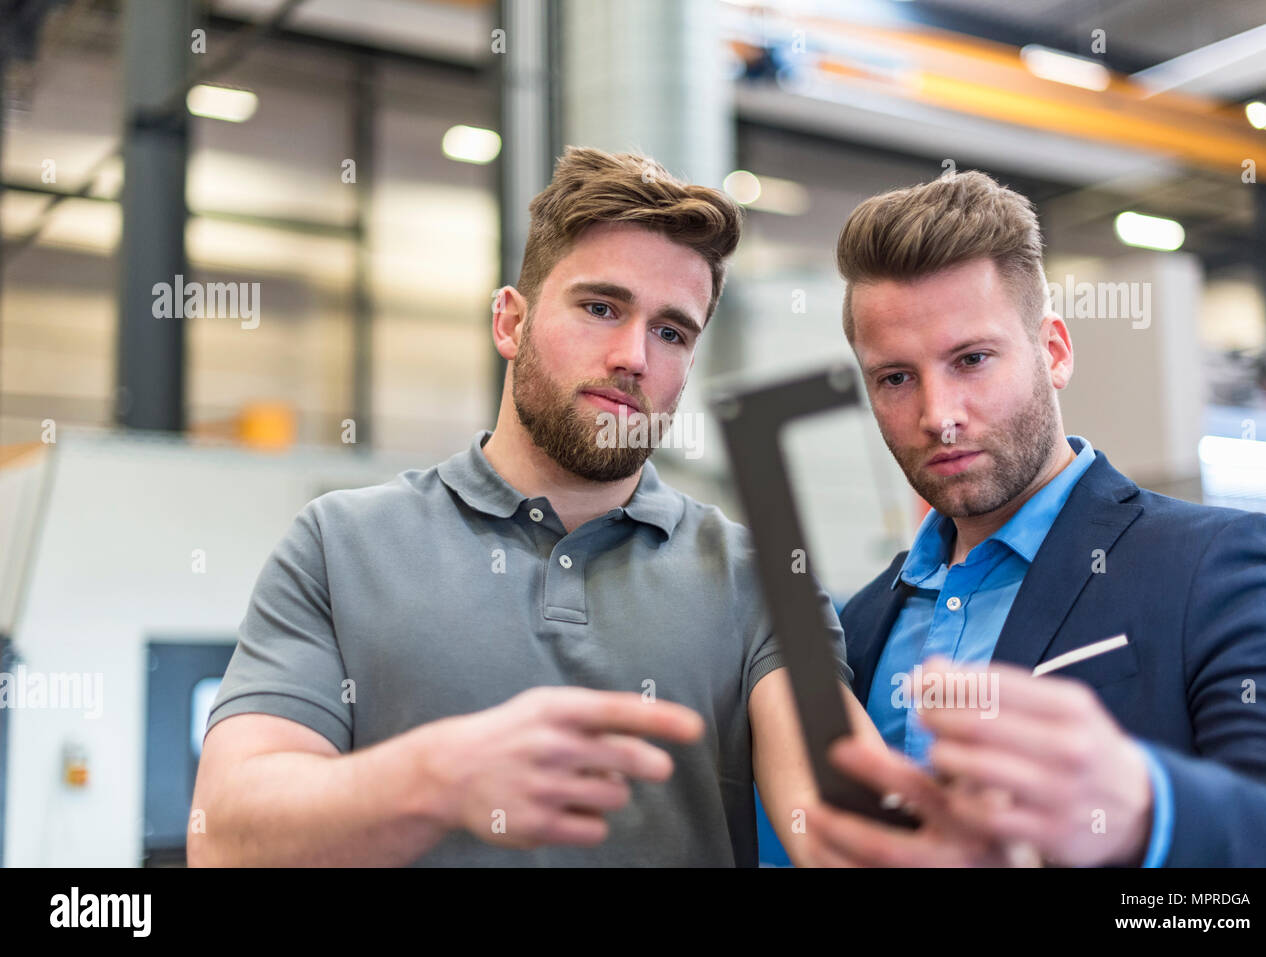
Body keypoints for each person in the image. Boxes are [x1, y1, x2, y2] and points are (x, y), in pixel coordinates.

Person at [189, 146, 869, 867]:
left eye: (671, 332)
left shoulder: (758, 579)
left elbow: (843, 819)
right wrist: (433, 779)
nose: (634, 355)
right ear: (510, 323)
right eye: (601, 306)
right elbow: (226, 838)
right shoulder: (341, 544)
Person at [803, 170, 1266, 867]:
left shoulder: (1215, 567)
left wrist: (1149, 812)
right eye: (895, 378)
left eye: (972, 359)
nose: (938, 415)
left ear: (1055, 351)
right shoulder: (860, 626)